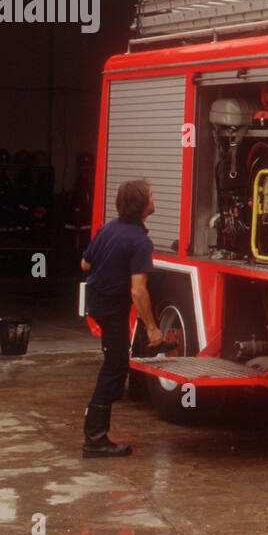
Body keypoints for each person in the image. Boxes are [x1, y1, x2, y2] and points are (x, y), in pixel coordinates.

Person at [79, 179, 174, 457]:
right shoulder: (139, 241)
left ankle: (96, 436)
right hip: (110, 308)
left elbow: (85, 263)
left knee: (116, 362)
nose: (154, 198)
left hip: (98, 301)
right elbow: (138, 291)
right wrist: (153, 329)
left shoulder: (108, 228)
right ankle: (94, 440)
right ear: (142, 205)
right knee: (113, 368)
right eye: (151, 195)